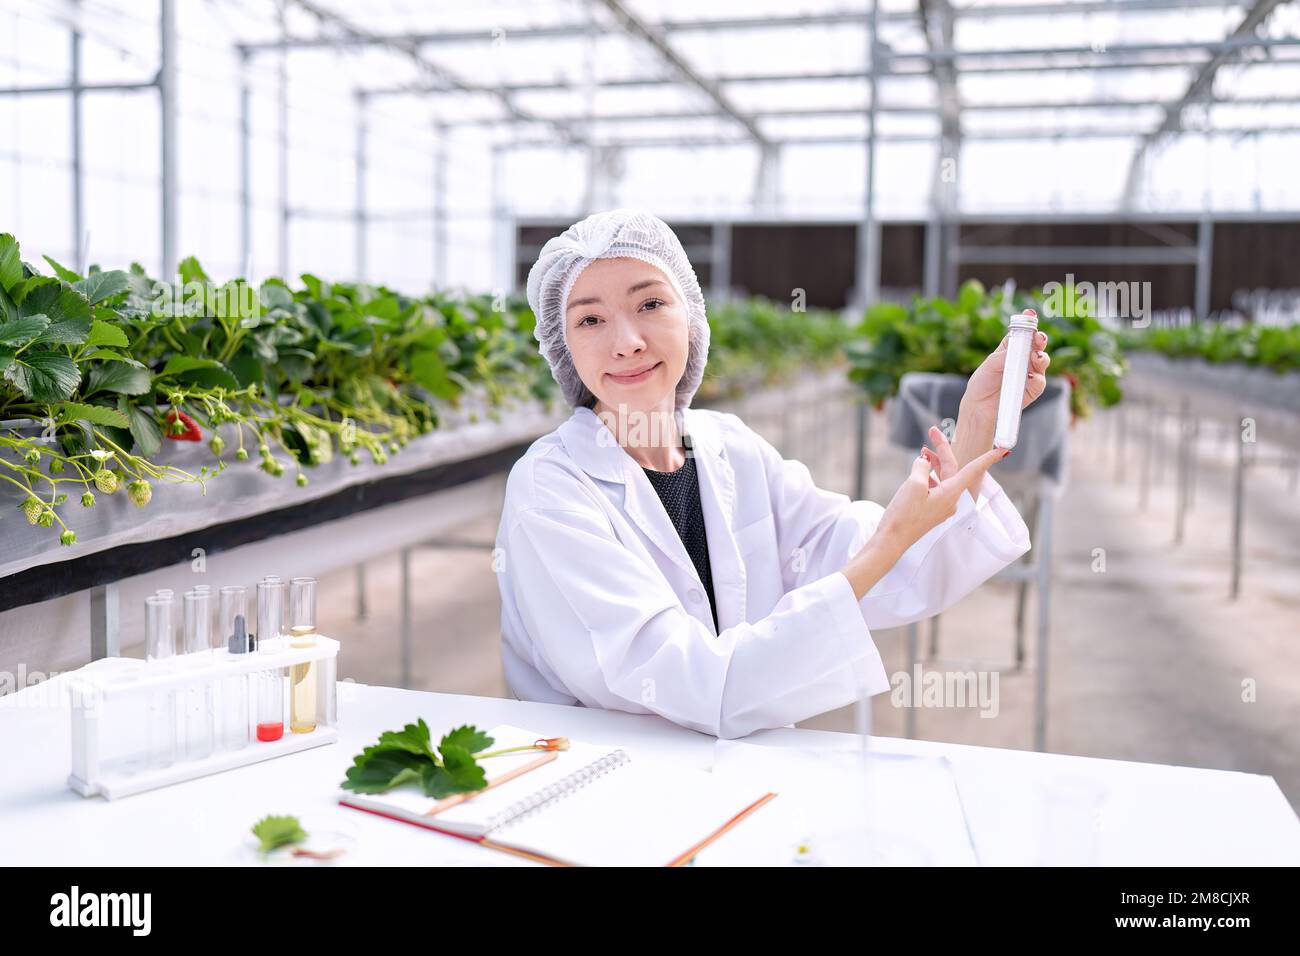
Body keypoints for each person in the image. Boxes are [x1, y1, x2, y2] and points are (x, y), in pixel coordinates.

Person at [494, 208, 1050, 739]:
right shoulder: (550, 489)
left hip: (729, 774)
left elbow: (880, 563)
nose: (627, 342)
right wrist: (890, 542)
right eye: (589, 318)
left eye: (649, 304)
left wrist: (974, 424)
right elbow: (690, 683)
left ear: (691, 315)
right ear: (563, 344)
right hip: (603, 787)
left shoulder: (729, 447)